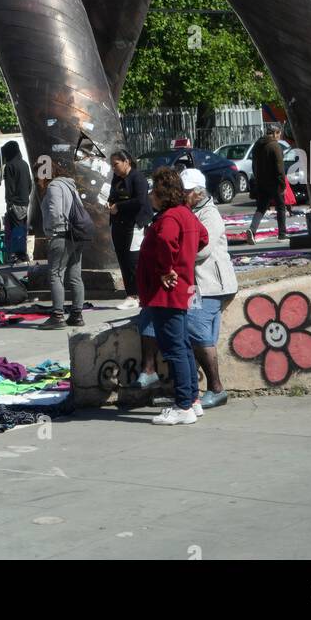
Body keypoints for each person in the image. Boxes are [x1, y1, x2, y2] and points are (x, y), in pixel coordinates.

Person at [136, 167, 207, 426]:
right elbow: (203, 237)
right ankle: (192, 400)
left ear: (163, 194)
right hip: (181, 288)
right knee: (183, 345)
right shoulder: (187, 215)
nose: (151, 196)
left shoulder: (169, 218)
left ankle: (182, 405)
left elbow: (166, 241)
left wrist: (167, 269)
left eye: (154, 191)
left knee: (174, 348)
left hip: (166, 292)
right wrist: (183, 260)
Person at [186, 180, 238, 408]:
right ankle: (190, 390)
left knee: (195, 328)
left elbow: (202, 250)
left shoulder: (210, 214)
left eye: (186, 191)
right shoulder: (190, 211)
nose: (183, 194)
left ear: (198, 192)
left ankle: (216, 389)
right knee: (197, 332)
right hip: (196, 285)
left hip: (213, 284)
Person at [28, 171, 86, 329]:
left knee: (55, 274)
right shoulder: (70, 186)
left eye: (37, 178)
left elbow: (55, 211)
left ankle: (57, 316)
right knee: (75, 275)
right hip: (76, 235)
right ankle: (77, 315)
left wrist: (53, 231)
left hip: (61, 235)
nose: (37, 182)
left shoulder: (54, 186)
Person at [108, 150, 152, 307]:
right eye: (112, 166)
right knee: (122, 259)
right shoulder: (116, 179)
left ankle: (138, 293)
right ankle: (130, 293)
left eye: (116, 164)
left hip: (134, 224)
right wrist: (110, 204)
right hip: (118, 224)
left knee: (133, 259)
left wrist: (118, 206)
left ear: (126, 161)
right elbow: (112, 195)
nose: (114, 168)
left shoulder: (137, 178)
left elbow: (140, 201)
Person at [247, 128, 287, 243]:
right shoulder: (275, 146)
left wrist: (258, 179)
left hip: (261, 182)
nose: (279, 137)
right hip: (274, 183)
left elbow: (254, 165)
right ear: (275, 133)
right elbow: (280, 167)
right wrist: (282, 185)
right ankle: (282, 234)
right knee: (281, 207)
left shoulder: (257, 145)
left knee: (261, 208)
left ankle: (252, 230)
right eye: (279, 134)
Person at [2, 141, 32, 261]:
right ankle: (22, 253)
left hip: (14, 203)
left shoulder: (9, 166)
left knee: (16, 229)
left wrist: (9, 203)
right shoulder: (24, 164)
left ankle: (20, 255)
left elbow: (9, 187)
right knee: (22, 228)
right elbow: (30, 184)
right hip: (25, 202)